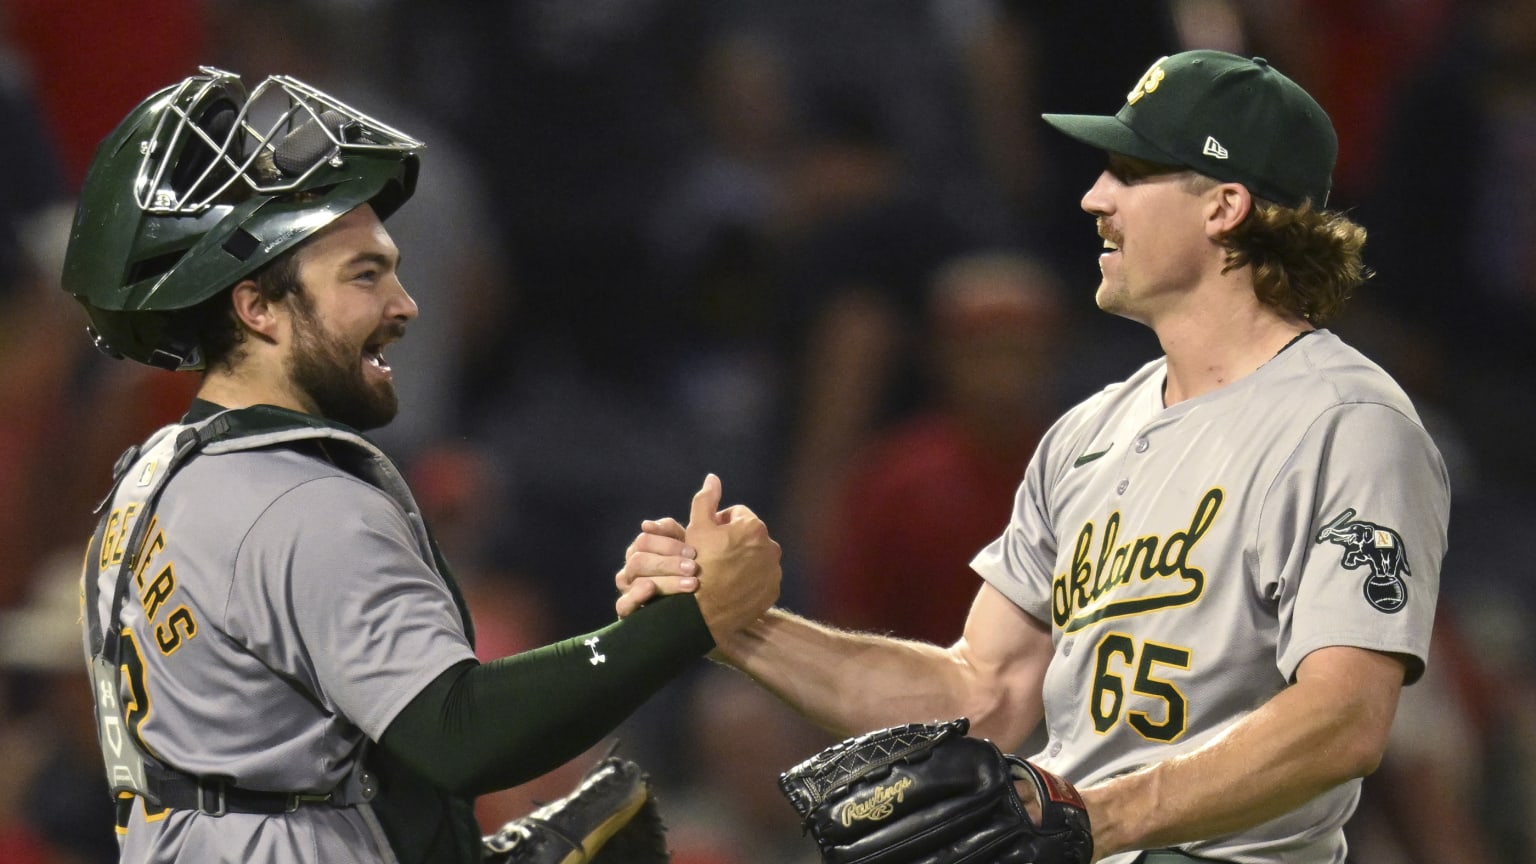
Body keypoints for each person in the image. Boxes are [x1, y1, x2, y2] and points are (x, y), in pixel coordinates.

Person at [618, 50, 1450, 864]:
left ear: (1225, 205)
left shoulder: (1347, 423)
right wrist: (727, 626)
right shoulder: (1088, 433)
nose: (1095, 198)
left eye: (1131, 171)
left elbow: (1345, 717)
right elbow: (984, 693)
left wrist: (1096, 815)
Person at [63, 68, 781, 863]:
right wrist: (690, 620)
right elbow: (458, 732)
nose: (405, 305)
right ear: (257, 306)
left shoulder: (156, 477)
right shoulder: (299, 499)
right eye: (364, 276)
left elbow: (284, 757)